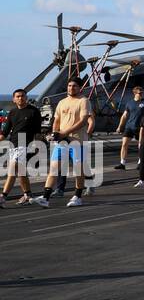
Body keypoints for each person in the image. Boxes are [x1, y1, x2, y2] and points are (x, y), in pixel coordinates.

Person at [37, 80, 92, 208]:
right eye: (69, 85)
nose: (71, 88)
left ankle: (78, 196)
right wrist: (55, 133)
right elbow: (57, 120)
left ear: (79, 88)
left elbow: (83, 121)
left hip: (78, 141)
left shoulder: (83, 101)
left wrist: (65, 132)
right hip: (62, 141)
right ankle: (45, 198)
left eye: (74, 86)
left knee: (78, 170)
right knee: (54, 169)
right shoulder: (62, 102)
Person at [1, 88, 42, 206]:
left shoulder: (33, 111)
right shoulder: (12, 113)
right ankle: (28, 195)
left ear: (26, 97)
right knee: (21, 173)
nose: (20, 98)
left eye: (23, 96)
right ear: (14, 99)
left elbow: (37, 132)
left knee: (12, 170)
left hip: (26, 145)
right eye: (18, 96)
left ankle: (3, 197)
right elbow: (4, 133)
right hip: (13, 146)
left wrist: (38, 148)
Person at [114, 85, 144, 170]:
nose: (141, 94)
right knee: (124, 144)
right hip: (129, 126)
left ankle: (140, 162)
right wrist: (119, 127)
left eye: (142, 92)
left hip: (140, 127)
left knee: (140, 146)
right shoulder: (129, 103)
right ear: (135, 93)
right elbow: (124, 115)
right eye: (140, 93)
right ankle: (122, 163)